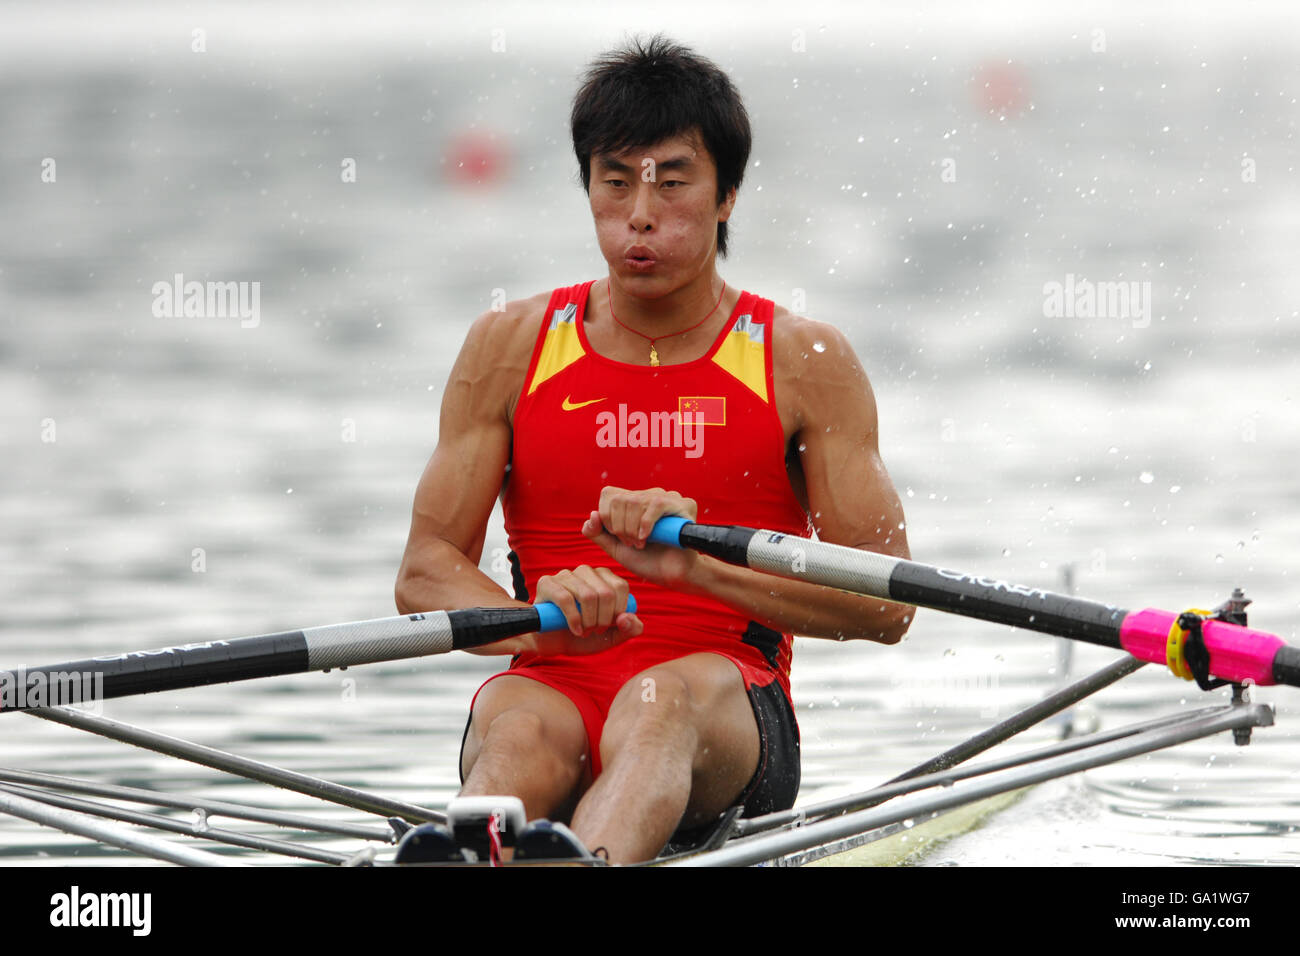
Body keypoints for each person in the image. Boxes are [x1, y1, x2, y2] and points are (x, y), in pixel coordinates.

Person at [394, 35, 912, 864]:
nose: (639, 212)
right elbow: (423, 572)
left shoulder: (803, 360)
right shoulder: (507, 346)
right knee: (523, 727)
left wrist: (699, 570)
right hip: (551, 678)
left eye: (672, 182)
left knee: (657, 697)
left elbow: (885, 606)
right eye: (614, 181)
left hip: (724, 706)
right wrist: (540, 629)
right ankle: (478, 844)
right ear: (588, 188)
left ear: (727, 197)